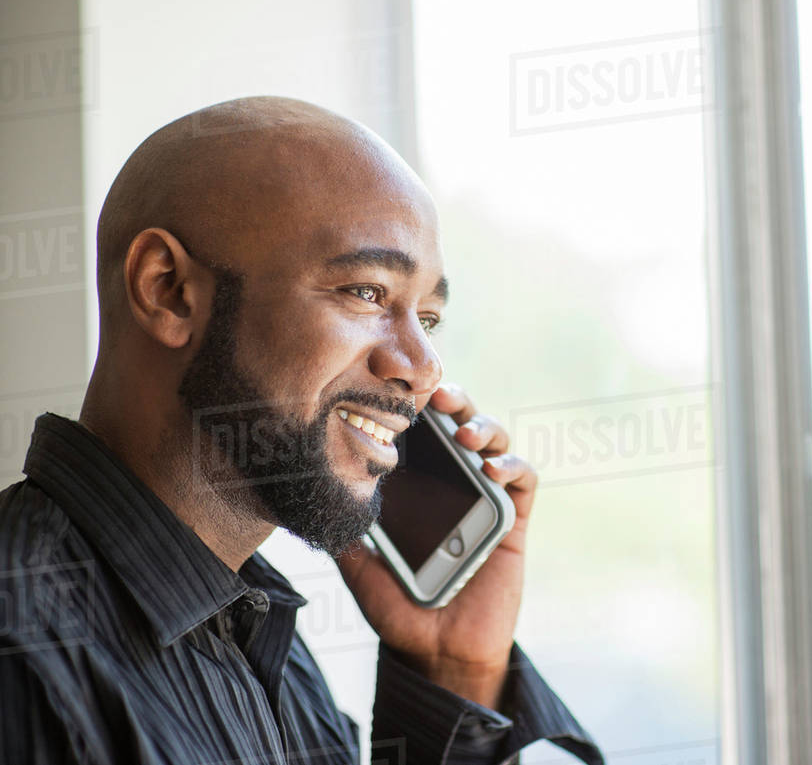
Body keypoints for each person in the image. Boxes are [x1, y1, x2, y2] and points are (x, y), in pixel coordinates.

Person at [0, 96, 605, 765]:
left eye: (426, 318)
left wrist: (453, 673)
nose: (424, 368)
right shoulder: (24, 647)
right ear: (168, 289)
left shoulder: (259, 636)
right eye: (368, 292)